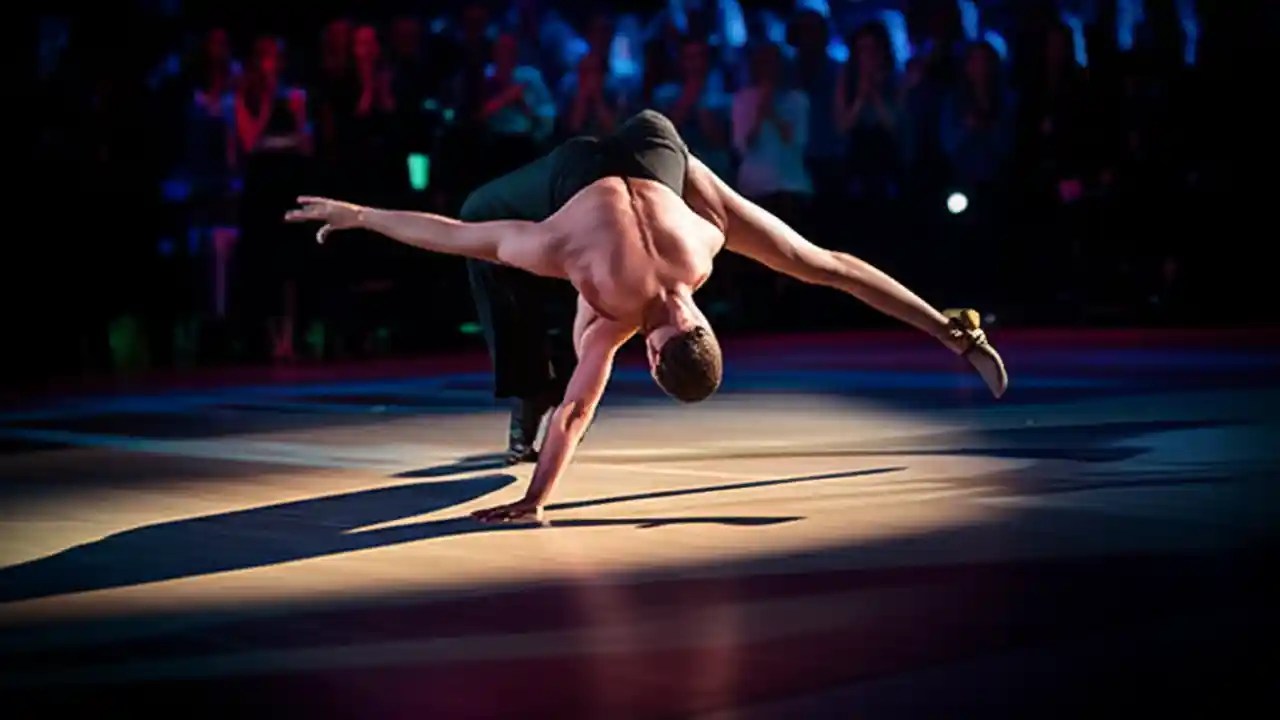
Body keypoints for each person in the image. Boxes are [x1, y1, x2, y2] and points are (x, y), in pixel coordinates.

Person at [285, 110, 1007, 523]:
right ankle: (526, 390)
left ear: (705, 328)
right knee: (478, 222)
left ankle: (952, 329)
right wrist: (361, 215)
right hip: (578, 171)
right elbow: (573, 412)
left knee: (816, 262)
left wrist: (950, 329)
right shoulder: (607, 311)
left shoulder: (706, 245)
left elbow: (837, 266)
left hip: (660, 144)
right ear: (655, 357)